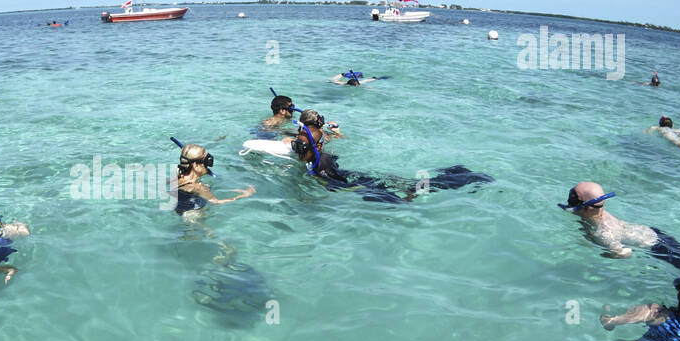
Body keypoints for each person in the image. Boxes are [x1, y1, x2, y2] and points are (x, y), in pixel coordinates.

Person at [286, 110, 491, 202]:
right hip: (357, 175)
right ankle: (457, 173)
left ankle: (467, 178)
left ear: (316, 147)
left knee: (412, 193)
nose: (298, 149)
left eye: (301, 147)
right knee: (411, 185)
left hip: (360, 183)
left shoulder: (319, 168)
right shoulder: (322, 156)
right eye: (297, 145)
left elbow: (339, 187)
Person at [559, 182, 680, 270]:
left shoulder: (602, 231)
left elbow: (625, 254)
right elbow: (580, 211)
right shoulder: (600, 214)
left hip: (655, 247)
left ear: (587, 207)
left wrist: (601, 253)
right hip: (652, 232)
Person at [174, 144, 255, 214]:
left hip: (181, 208)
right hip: (193, 218)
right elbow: (216, 202)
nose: (209, 164)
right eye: (206, 161)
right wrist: (243, 195)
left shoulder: (178, 176)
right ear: (196, 165)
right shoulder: (198, 187)